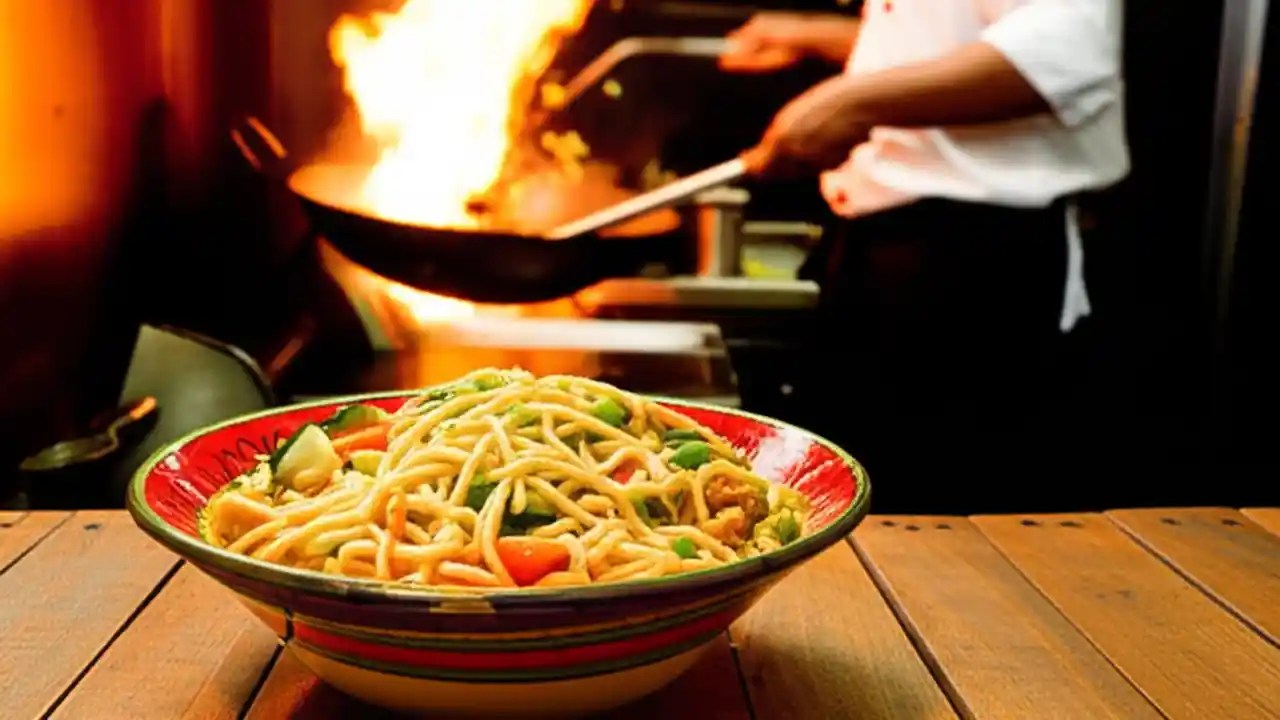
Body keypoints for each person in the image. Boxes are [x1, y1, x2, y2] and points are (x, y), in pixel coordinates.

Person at [719, 2, 1128, 513]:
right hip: (895, 252)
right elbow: (957, 40)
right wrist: (826, 37)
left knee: (938, 517)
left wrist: (851, 102)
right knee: (854, 507)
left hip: (976, 268)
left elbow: (1069, 47)